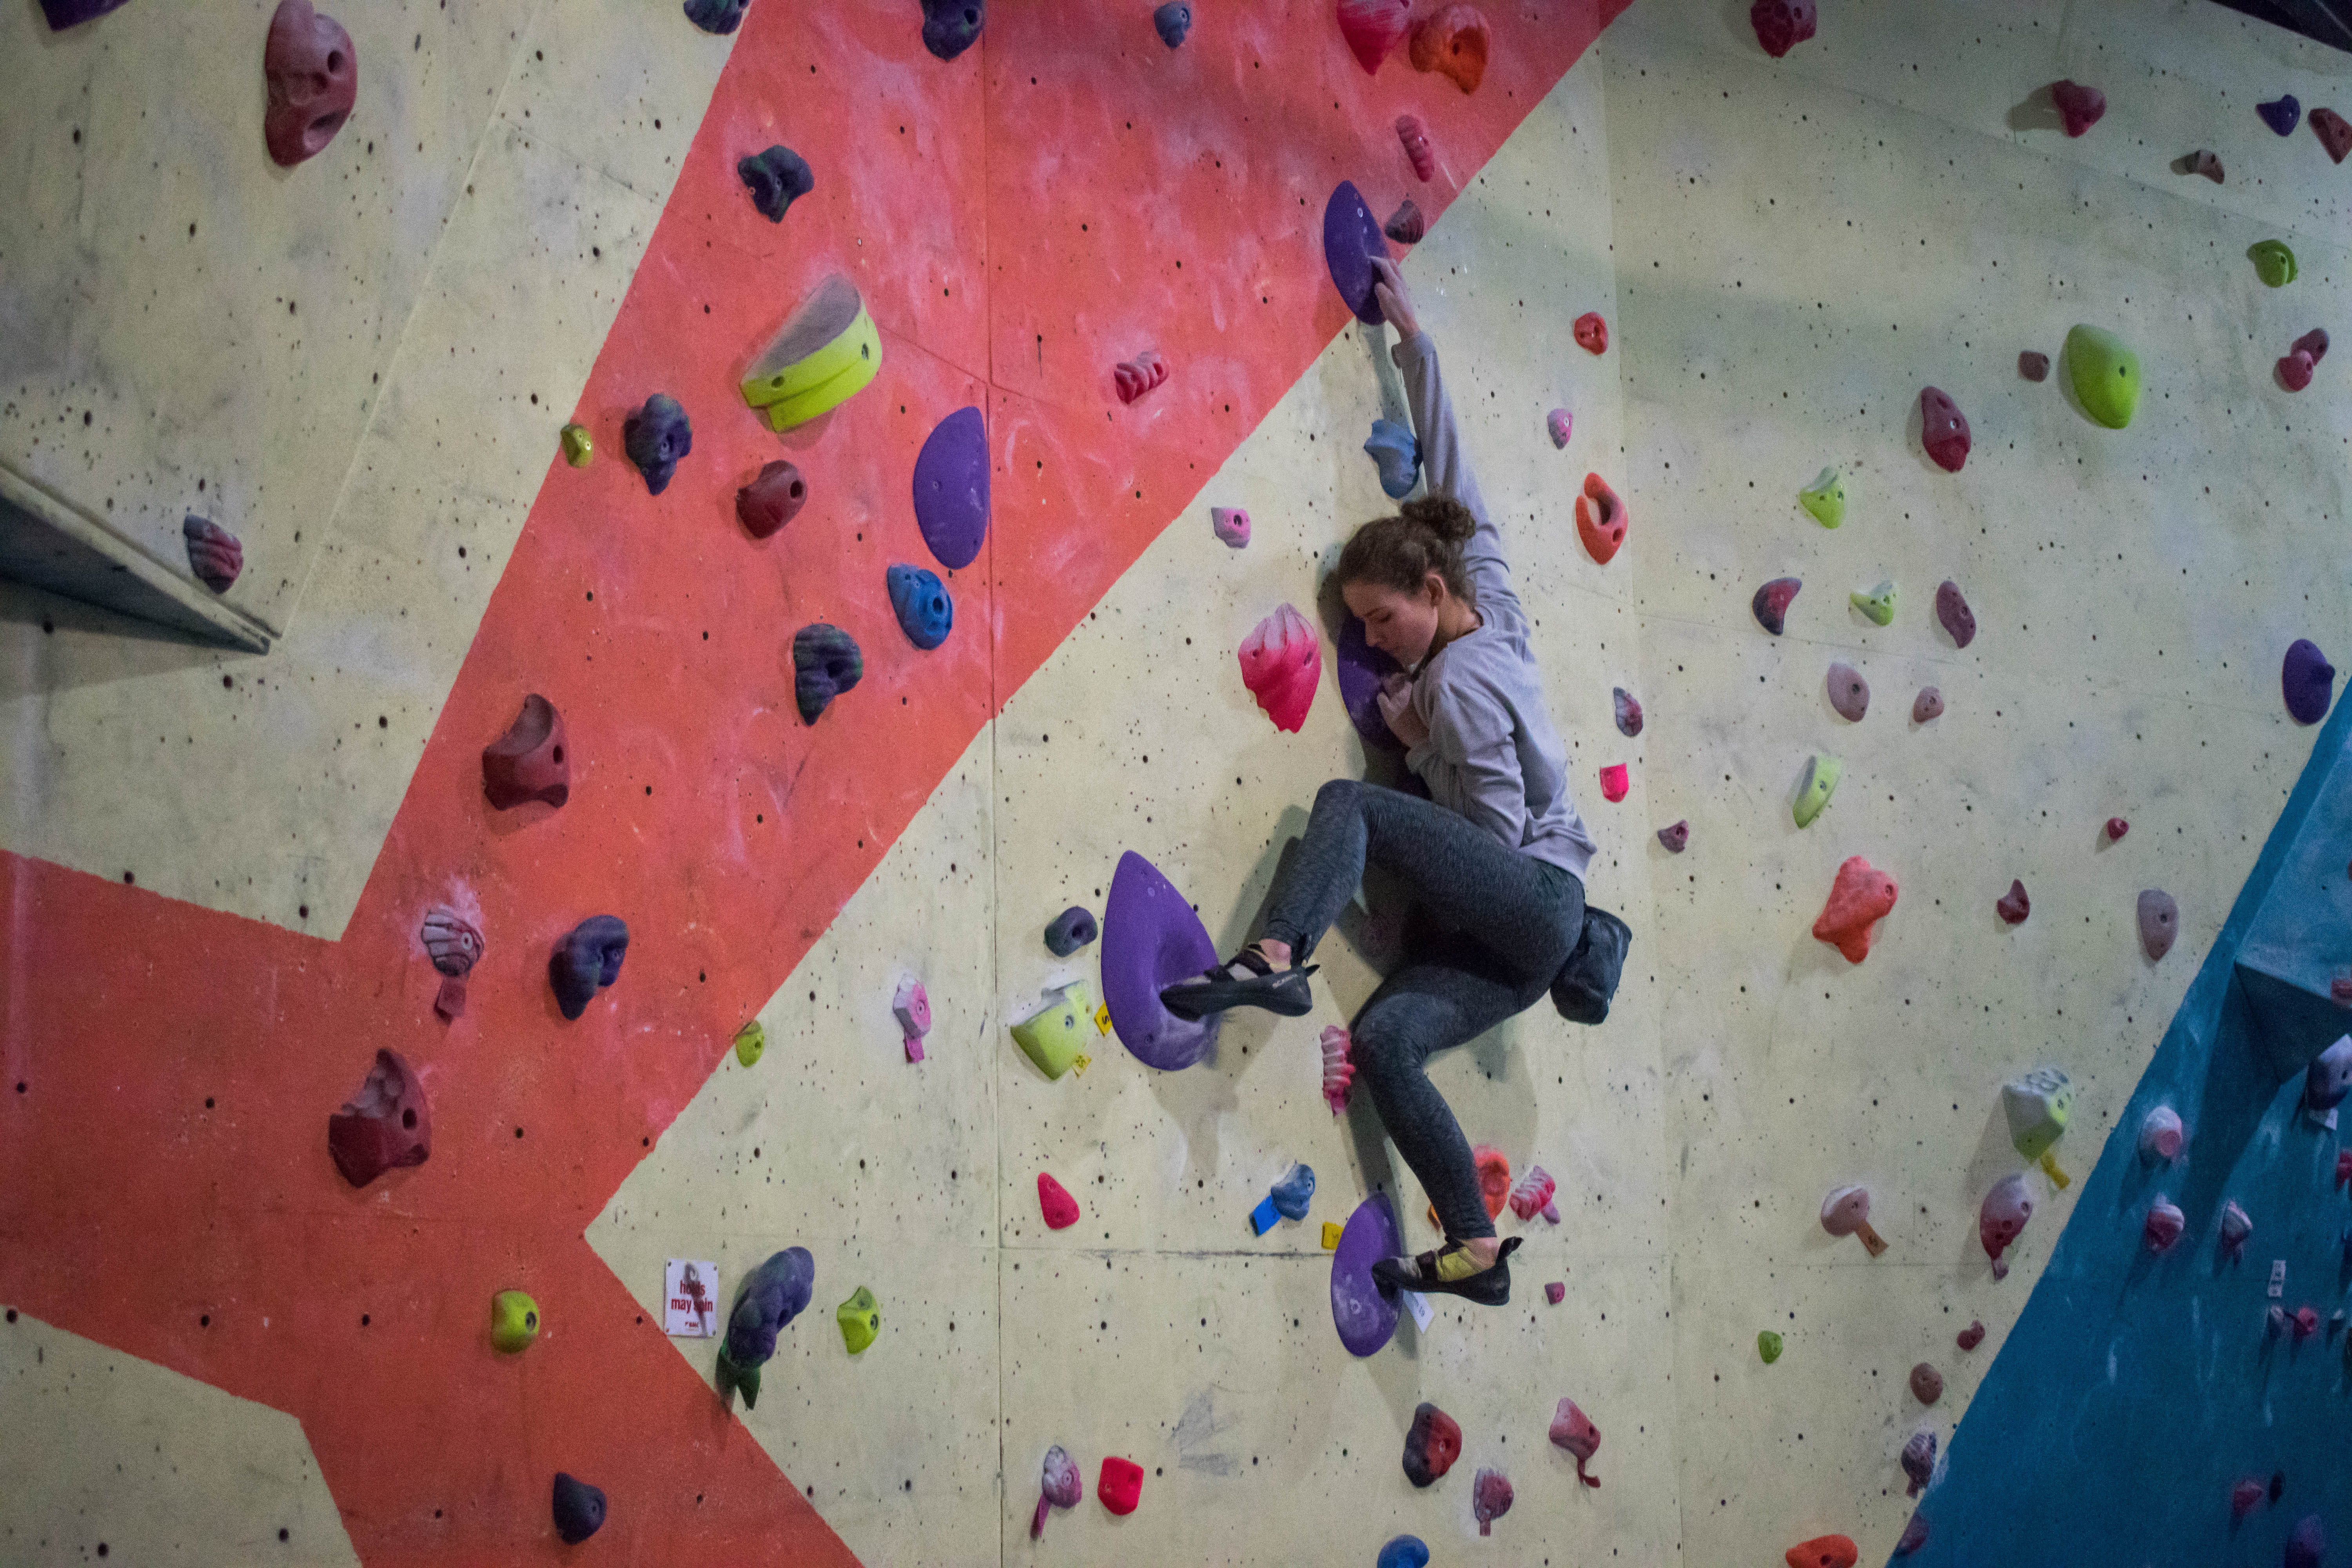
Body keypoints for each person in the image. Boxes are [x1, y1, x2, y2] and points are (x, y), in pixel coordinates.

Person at [1162, 257, 1629, 1306]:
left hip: (1532, 898)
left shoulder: (1454, 688)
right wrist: (1410, 344)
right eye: (1366, 628)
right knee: (1383, 1044)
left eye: (1383, 622)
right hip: (1518, 949)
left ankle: (1278, 952)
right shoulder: (1491, 602)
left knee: (1349, 806)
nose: (1374, 643)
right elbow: (1458, 482)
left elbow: (1494, 837)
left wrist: (1411, 740)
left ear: (1430, 591)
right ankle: (1471, 1245)